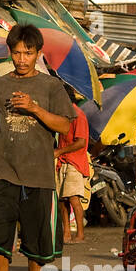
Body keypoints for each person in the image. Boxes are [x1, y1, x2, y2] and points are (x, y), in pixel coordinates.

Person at [0, 25, 75, 271]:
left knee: (35, 238)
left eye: (28, 53)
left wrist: (35, 109)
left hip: (38, 172)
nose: (22, 58)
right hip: (1, 169)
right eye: (16, 52)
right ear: (10, 52)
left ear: (38, 54)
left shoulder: (52, 87)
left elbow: (65, 125)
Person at [55, 92, 91, 243]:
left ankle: (80, 234)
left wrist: (59, 151)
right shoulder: (65, 116)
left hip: (74, 162)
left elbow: (81, 142)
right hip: (62, 161)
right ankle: (67, 233)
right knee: (62, 199)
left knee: (74, 198)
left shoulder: (78, 115)